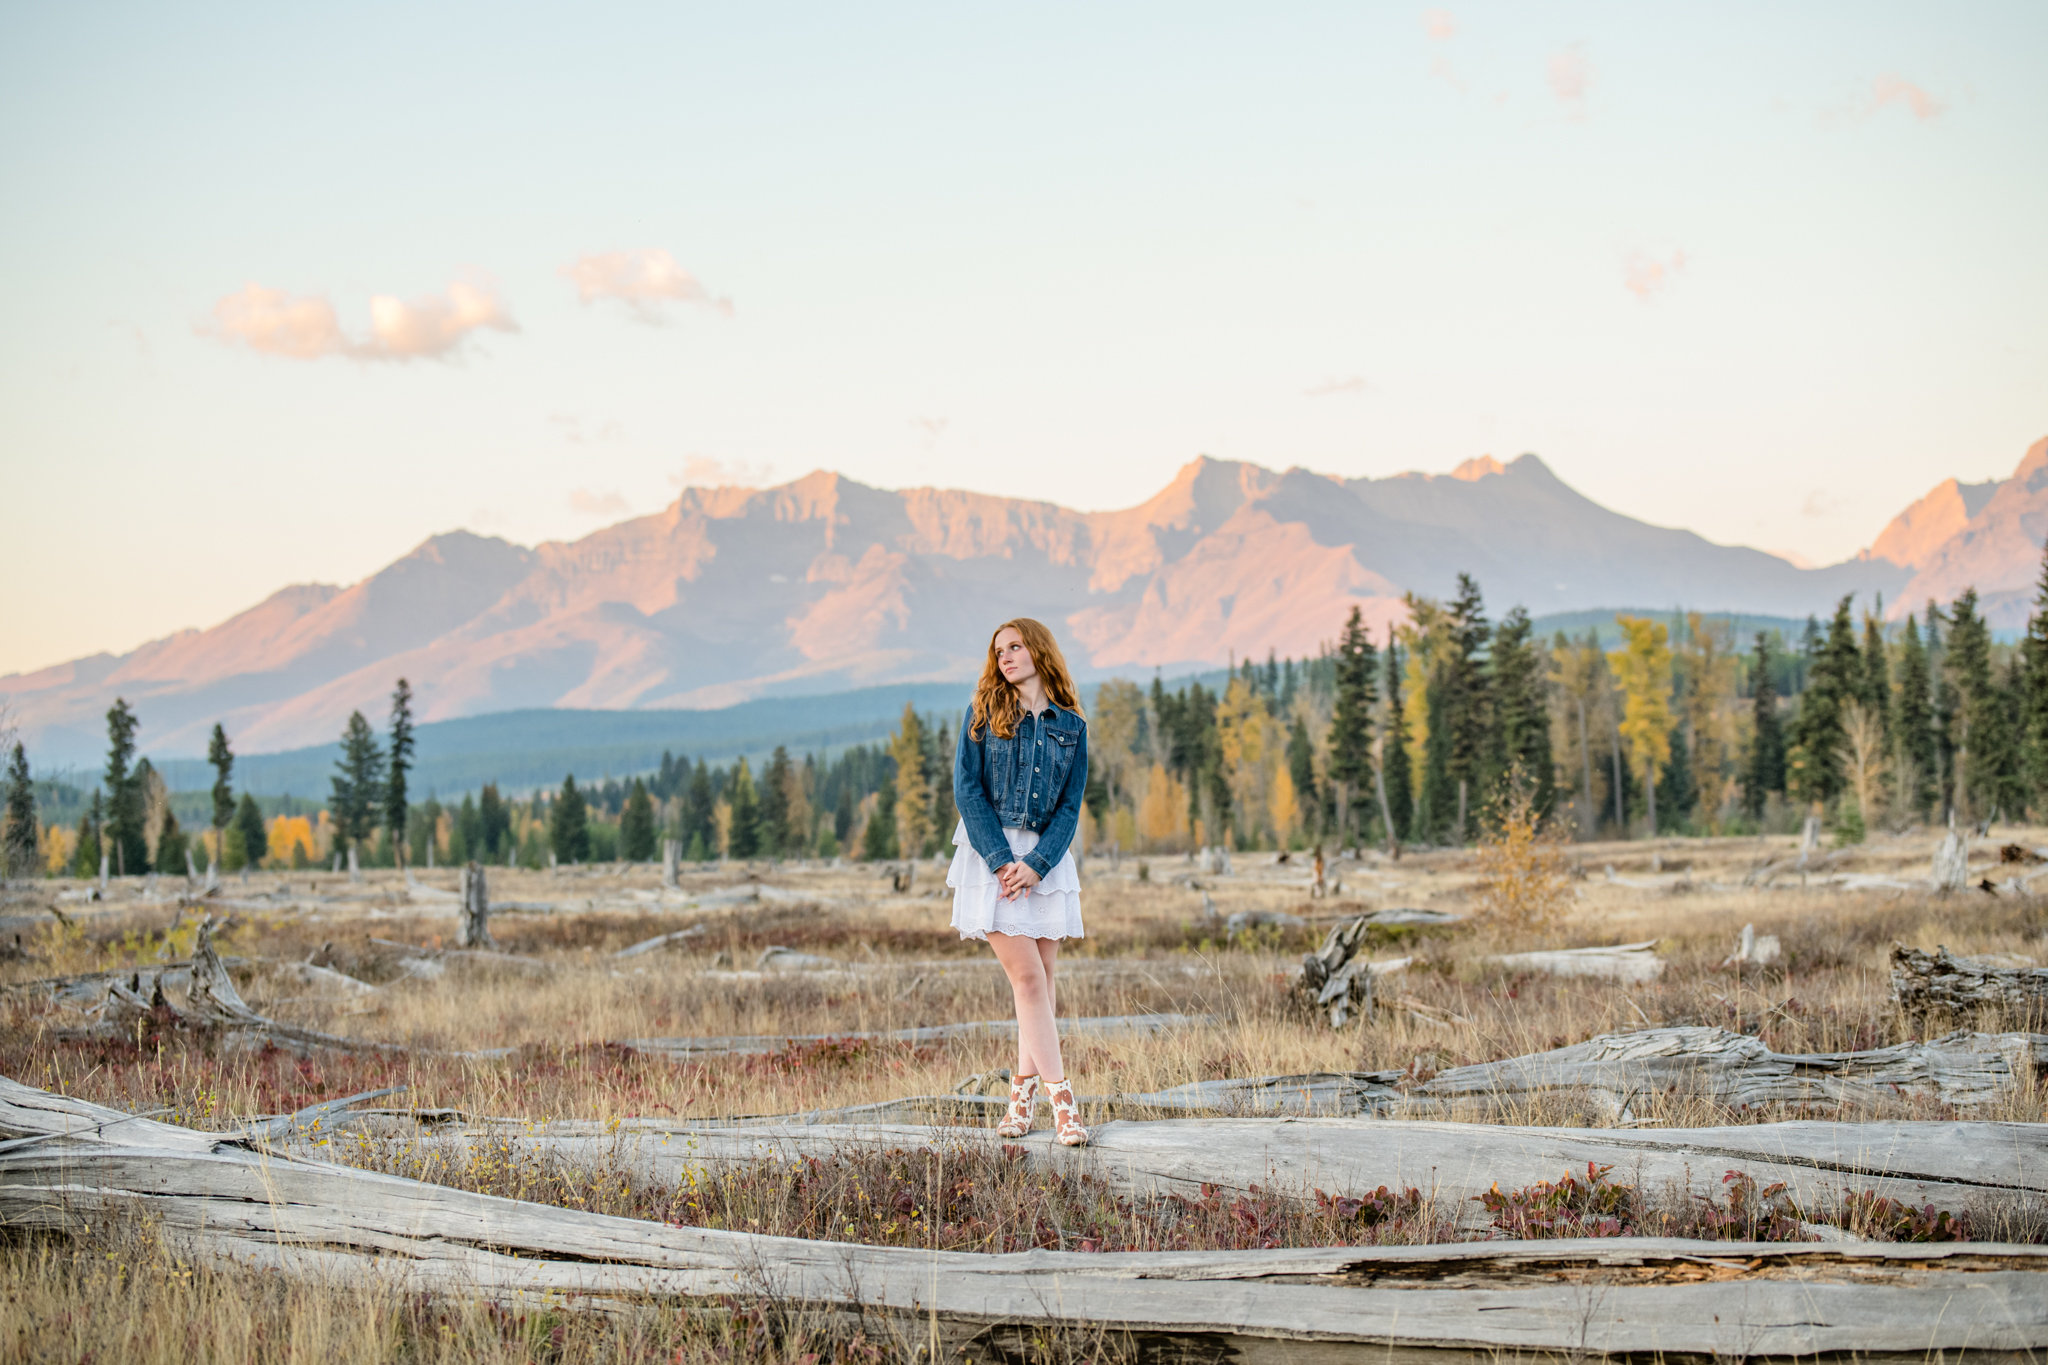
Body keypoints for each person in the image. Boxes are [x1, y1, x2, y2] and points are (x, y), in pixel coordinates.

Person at [947, 617, 1090, 1146]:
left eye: (1014, 646)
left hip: (1045, 862)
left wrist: (1040, 863)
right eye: (998, 650)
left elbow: (1070, 808)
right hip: (993, 860)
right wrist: (1003, 861)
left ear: (1038, 650)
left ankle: (1020, 1098)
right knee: (1028, 980)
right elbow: (967, 791)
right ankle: (1065, 1103)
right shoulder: (982, 713)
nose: (1005, 657)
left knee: (1045, 984)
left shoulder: (1071, 726)